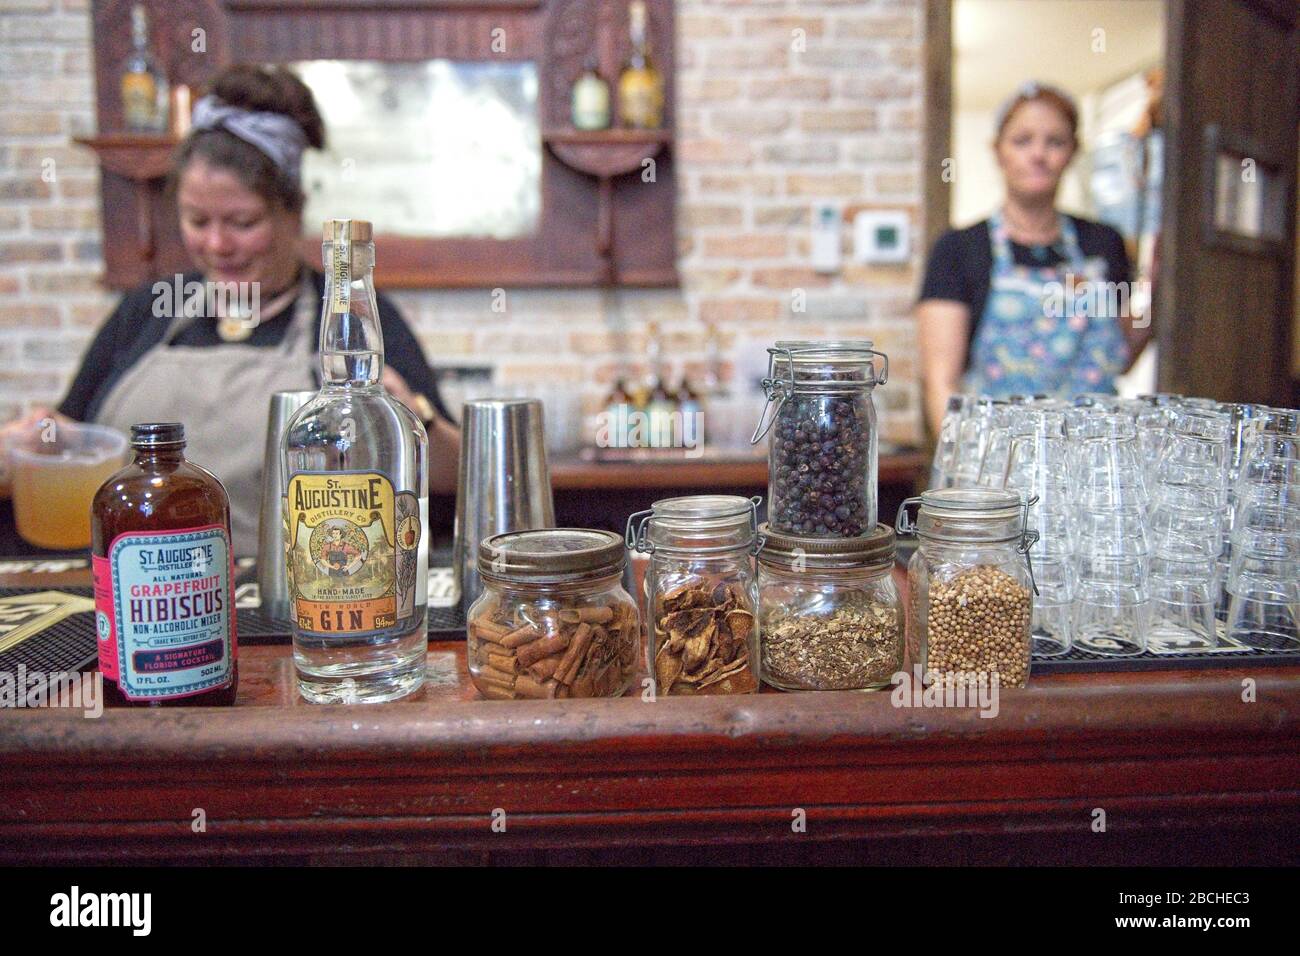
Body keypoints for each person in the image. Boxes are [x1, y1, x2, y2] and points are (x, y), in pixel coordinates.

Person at [0, 65, 460, 554]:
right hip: (139, 595)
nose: (217, 244)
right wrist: (41, 437)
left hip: (286, 602)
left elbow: (454, 474)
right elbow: (79, 433)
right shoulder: (152, 307)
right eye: (197, 220)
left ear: (293, 210)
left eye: (242, 222)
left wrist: (416, 421)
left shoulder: (349, 312)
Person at [916, 82, 1153, 435]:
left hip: (1093, 460)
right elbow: (940, 383)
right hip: (993, 467)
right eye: (1022, 140)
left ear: (1073, 152)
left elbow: (1120, 358)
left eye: (1054, 141)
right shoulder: (960, 249)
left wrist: (1161, 289)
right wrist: (964, 477)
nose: (1038, 154)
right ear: (998, 152)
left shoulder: (1104, 244)